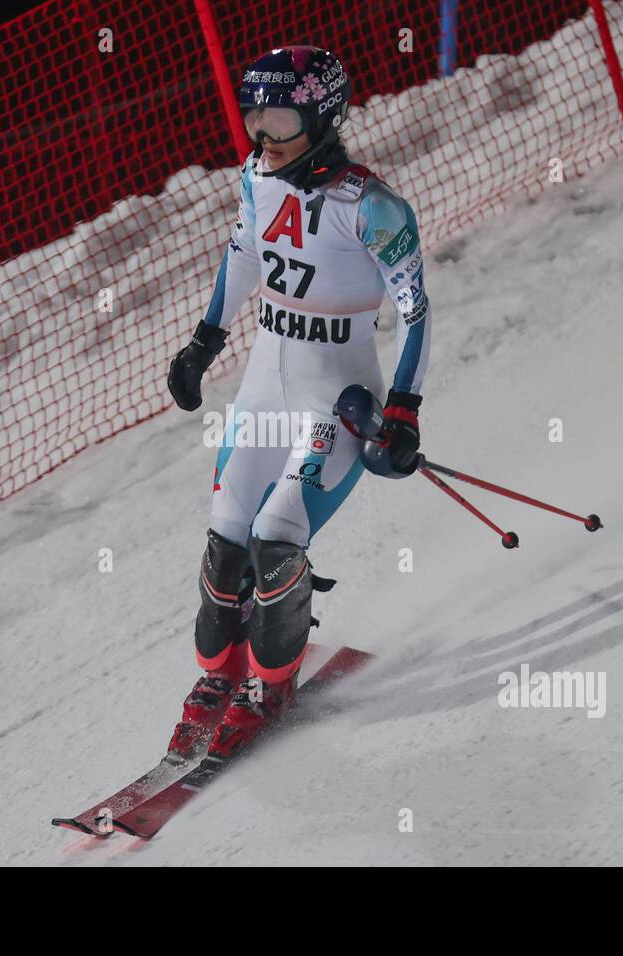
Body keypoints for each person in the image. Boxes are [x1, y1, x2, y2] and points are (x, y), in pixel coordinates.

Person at [165, 46, 432, 761]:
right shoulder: (255, 177)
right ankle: (217, 677)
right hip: (263, 391)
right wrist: (203, 343)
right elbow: (243, 256)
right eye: (253, 116)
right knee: (226, 544)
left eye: (280, 119)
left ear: (322, 117)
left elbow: (415, 311)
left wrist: (403, 411)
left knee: (276, 540)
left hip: (334, 403)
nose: (264, 134)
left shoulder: (371, 207)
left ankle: (269, 686)